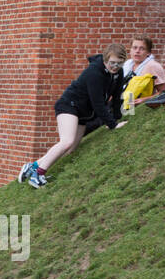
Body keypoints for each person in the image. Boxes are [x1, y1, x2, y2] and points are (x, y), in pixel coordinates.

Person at [18, 45, 128, 189]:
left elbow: (117, 95)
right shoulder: (94, 73)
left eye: (119, 63)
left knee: (70, 149)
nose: (115, 66)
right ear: (106, 60)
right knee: (67, 141)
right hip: (68, 106)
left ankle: (33, 166)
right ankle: (37, 175)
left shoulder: (118, 73)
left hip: (83, 113)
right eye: (112, 63)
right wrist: (112, 125)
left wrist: (117, 117)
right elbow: (98, 103)